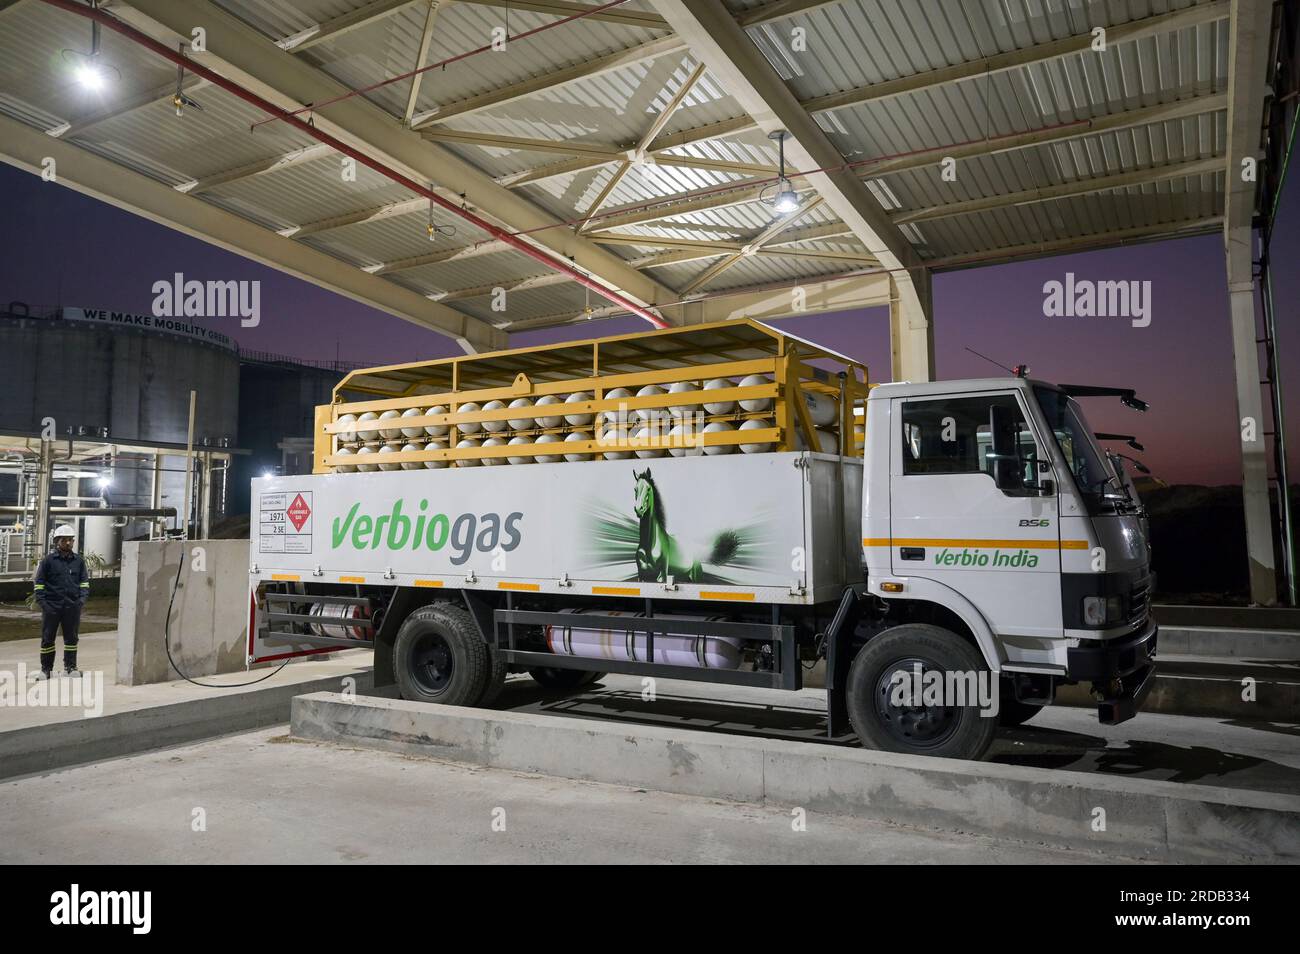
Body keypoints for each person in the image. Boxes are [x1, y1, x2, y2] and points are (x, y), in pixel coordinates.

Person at [32, 525, 88, 679]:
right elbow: (39, 584)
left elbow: (84, 583)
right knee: (48, 638)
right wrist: (44, 604)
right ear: (57, 541)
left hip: (72, 606)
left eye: (71, 540)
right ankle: (46, 670)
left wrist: (81, 601)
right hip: (52, 607)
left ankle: (70, 668)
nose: (69, 543)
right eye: (65, 540)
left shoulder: (79, 561)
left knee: (71, 638)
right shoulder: (48, 561)